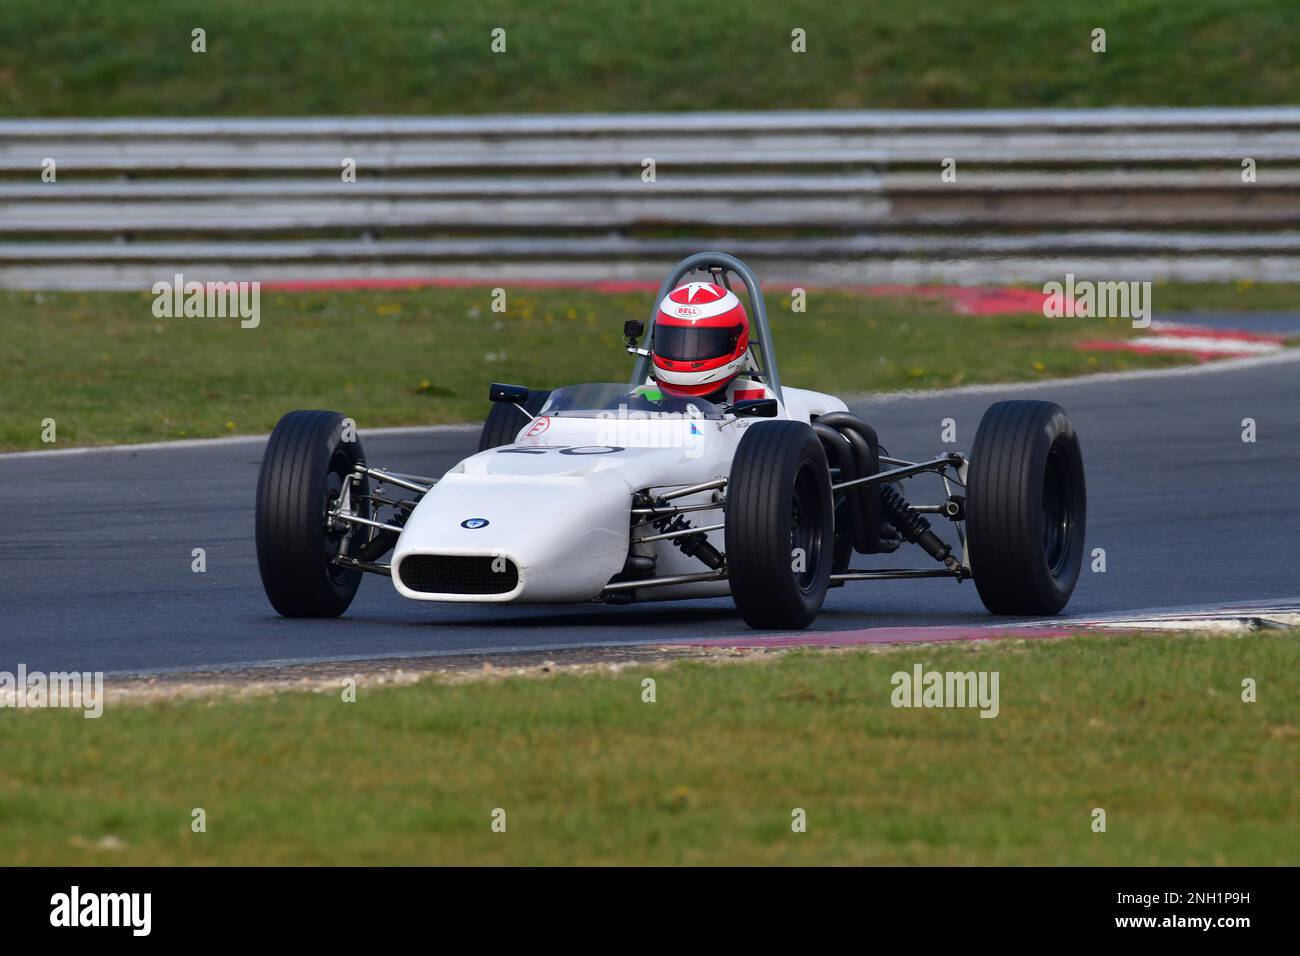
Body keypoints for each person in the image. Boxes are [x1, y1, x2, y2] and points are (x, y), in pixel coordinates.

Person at [647, 281, 768, 404]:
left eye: (700, 345)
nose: (686, 351)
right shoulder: (643, 398)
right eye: (676, 344)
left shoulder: (760, 407)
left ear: (736, 342)